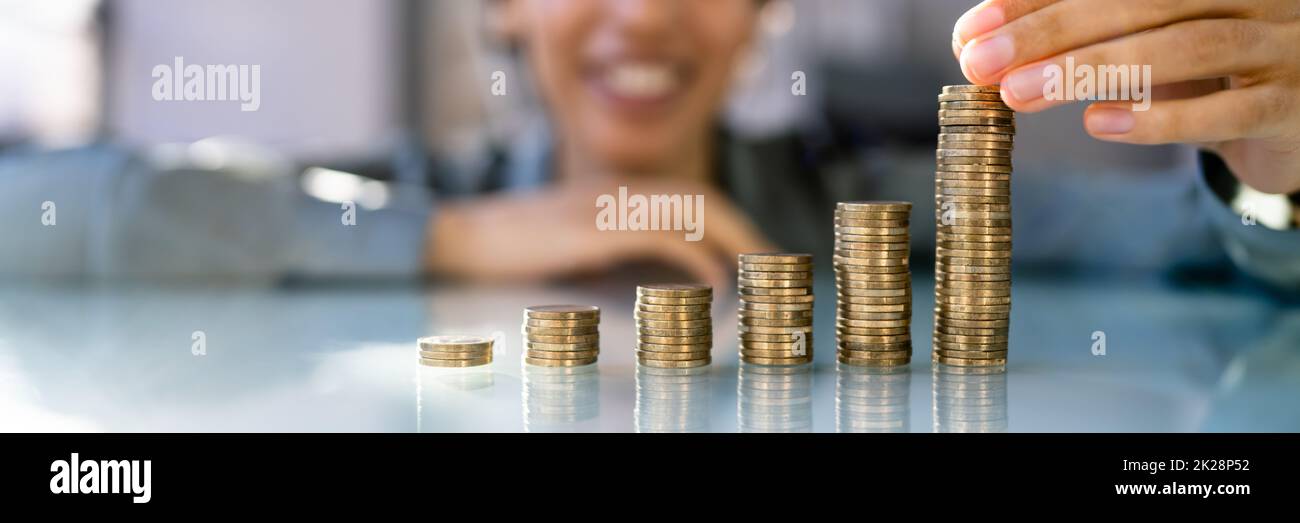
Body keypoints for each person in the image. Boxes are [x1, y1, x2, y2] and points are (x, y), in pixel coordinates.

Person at [1, 0, 1298, 290]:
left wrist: (1278, 155)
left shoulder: (887, 216)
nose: (643, 14)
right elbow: (38, 209)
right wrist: (449, 240)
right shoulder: (394, 193)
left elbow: (1204, 242)